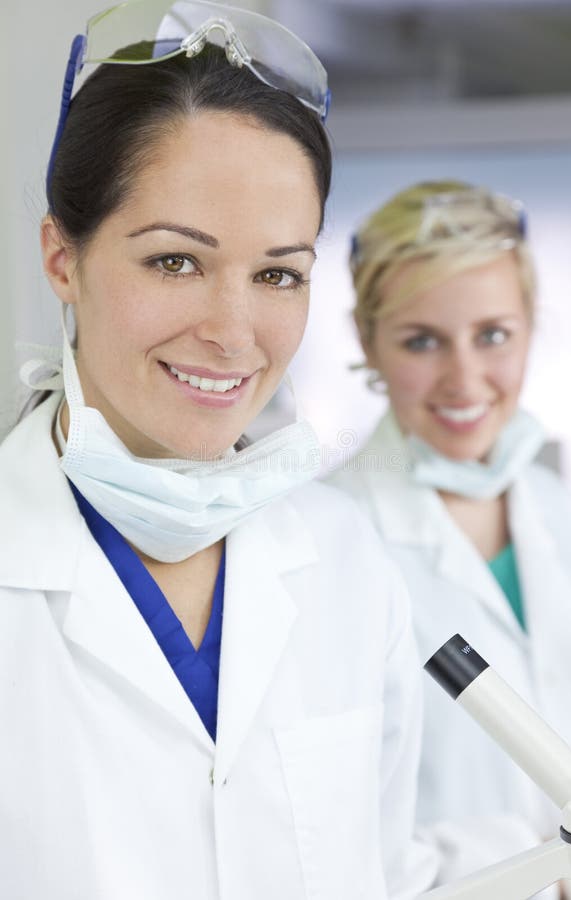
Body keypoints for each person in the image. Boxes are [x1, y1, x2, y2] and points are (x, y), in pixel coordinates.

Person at [0, 5, 438, 899]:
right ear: (62, 257)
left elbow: (389, 871)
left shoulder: (349, 564)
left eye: (278, 273)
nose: (233, 335)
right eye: (175, 262)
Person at [329, 180, 571, 899]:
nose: (465, 379)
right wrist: (543, 860)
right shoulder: (328, 536)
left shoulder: (553, 507)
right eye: (423, 341)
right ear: (367, 340)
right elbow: (325, 824)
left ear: (530, 328)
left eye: (493, 335)